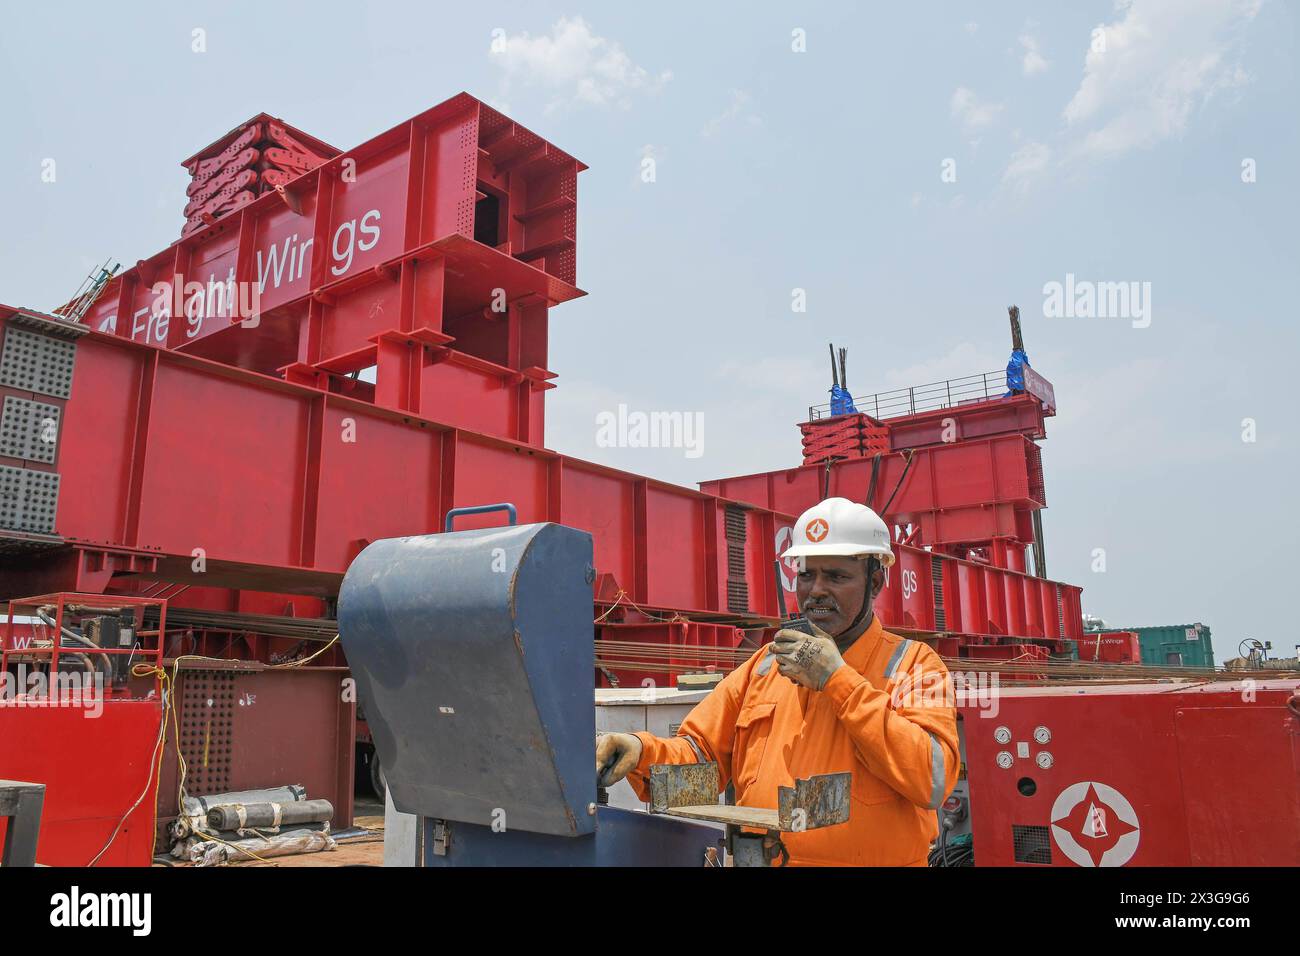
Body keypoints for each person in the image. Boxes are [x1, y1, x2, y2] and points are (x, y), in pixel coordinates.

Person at [595, 497, 960, 866]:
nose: (816, 589)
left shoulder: (914, 665)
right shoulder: (765, 666)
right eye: (806, 575)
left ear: (876, 581)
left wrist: (837, 680)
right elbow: (702, 768)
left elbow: (931, 780)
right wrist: (640, 753)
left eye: (836, 576)